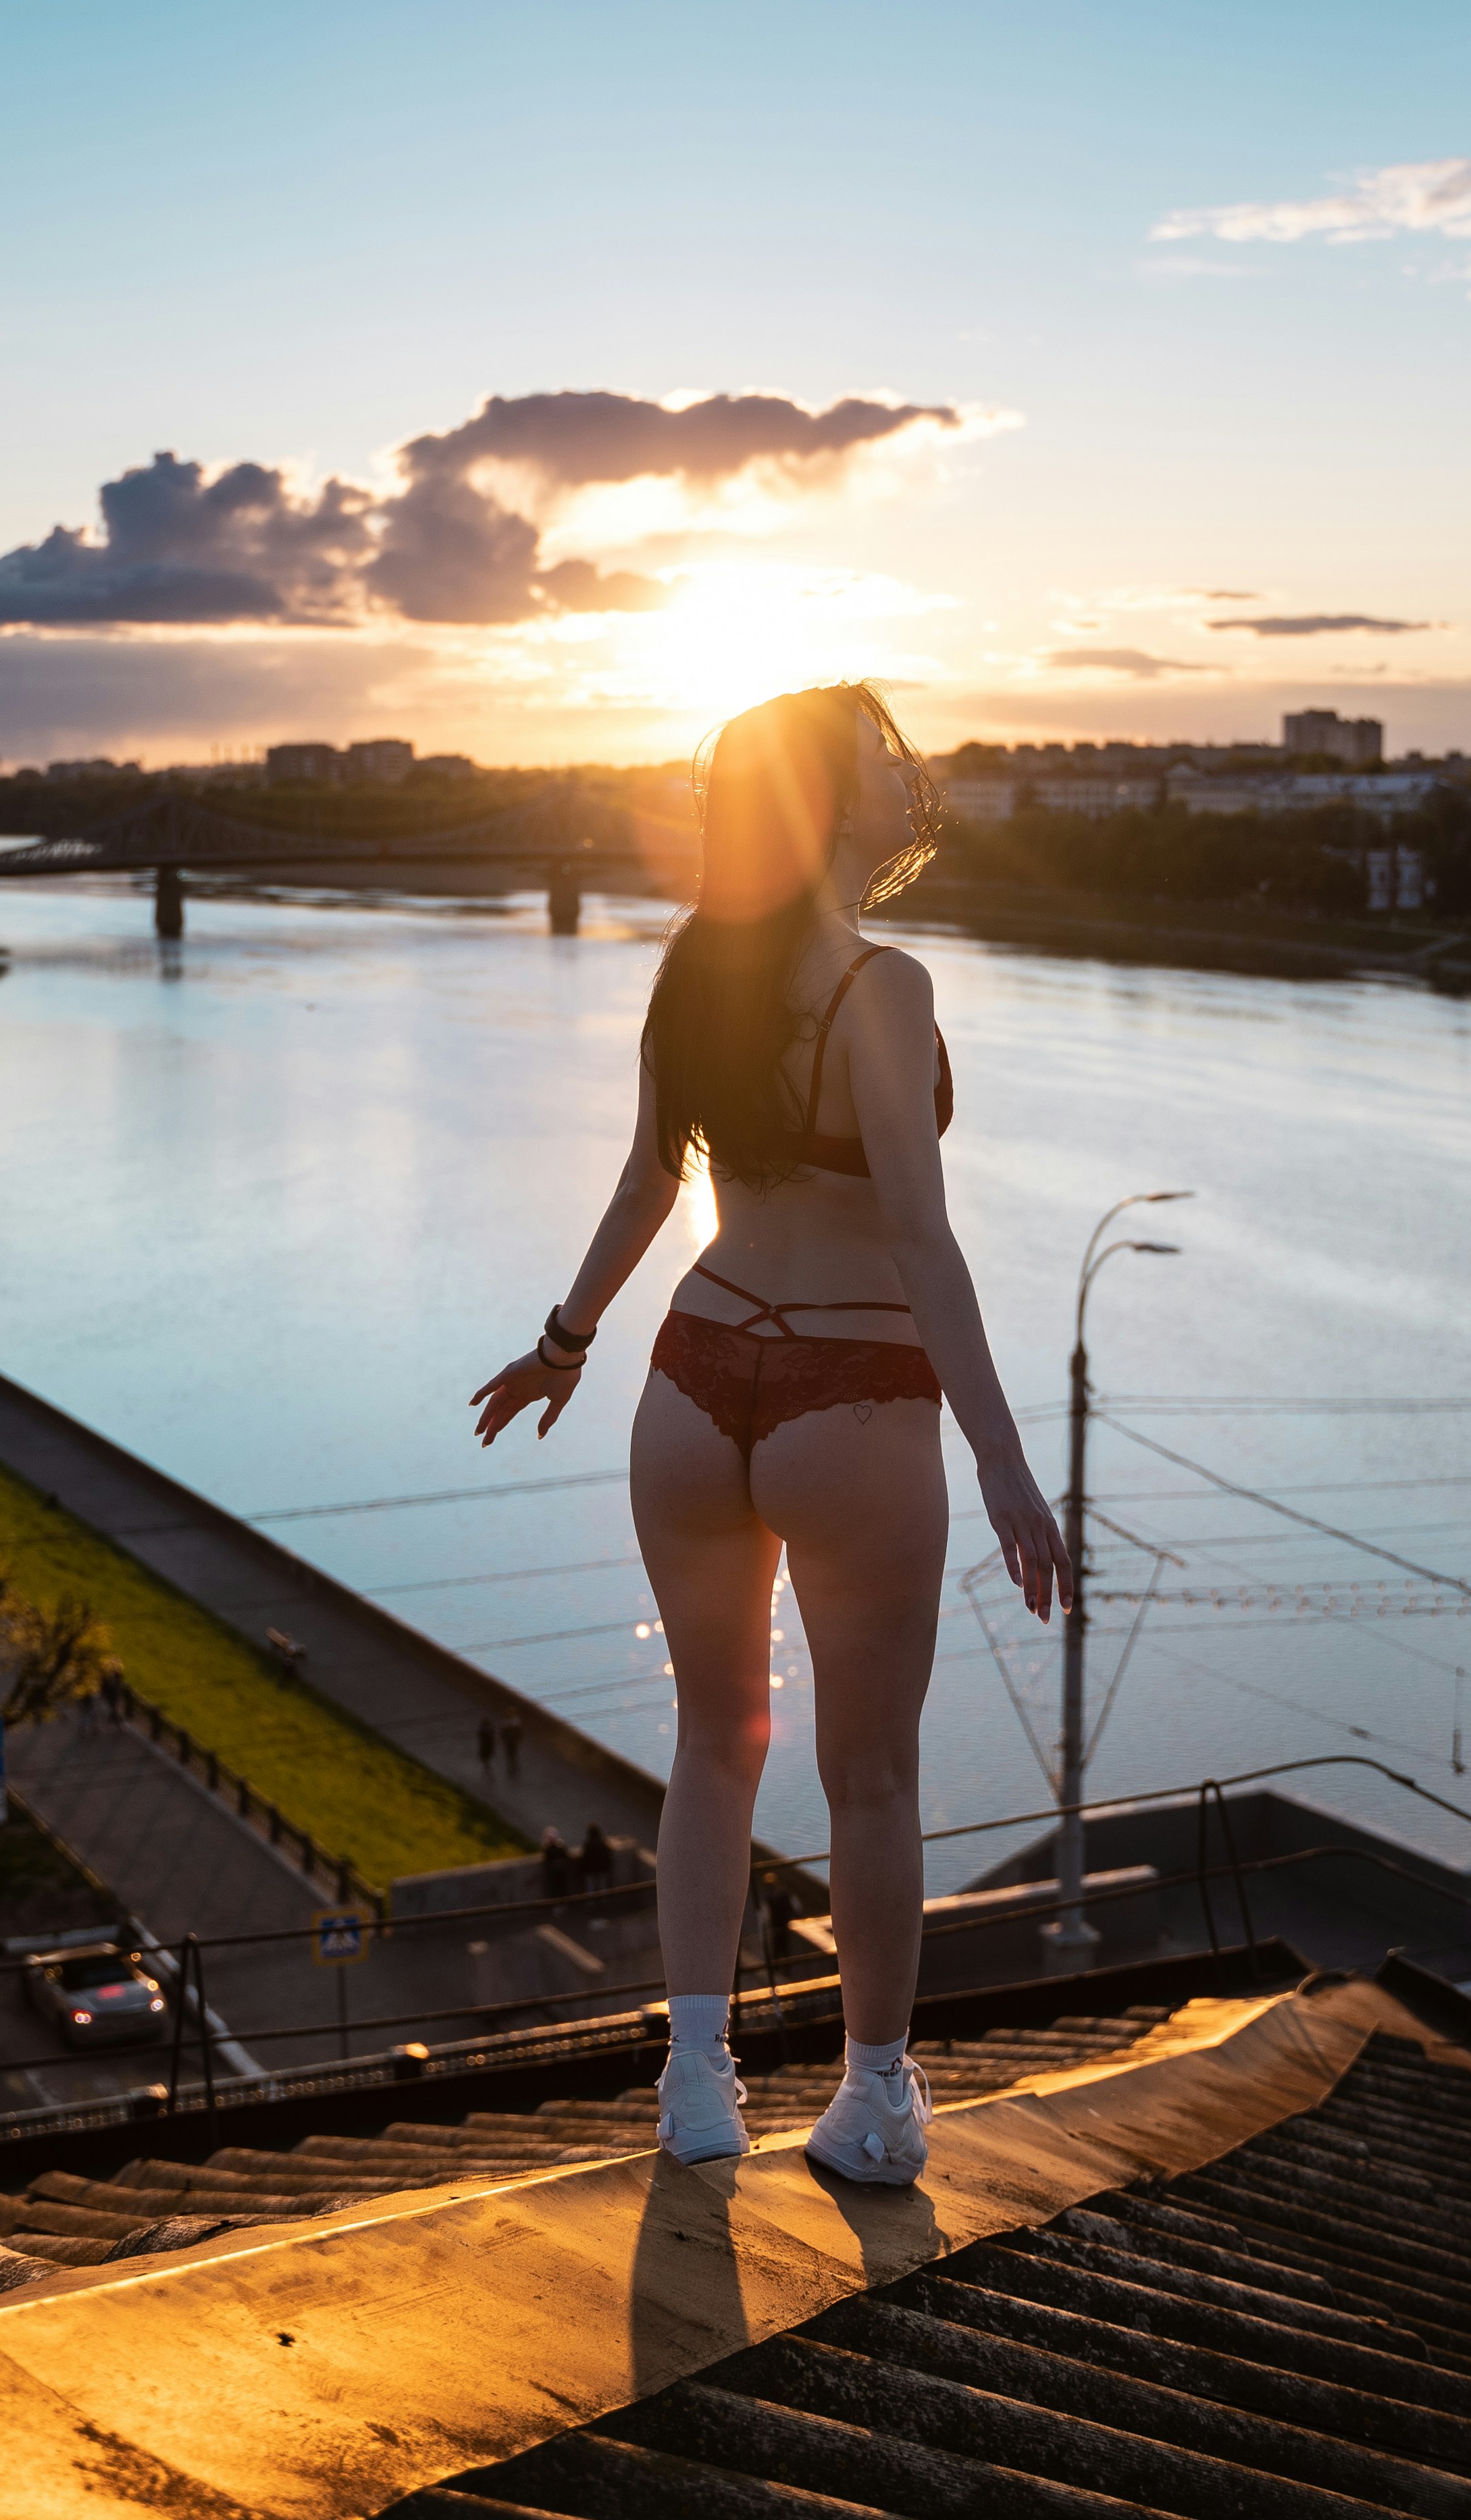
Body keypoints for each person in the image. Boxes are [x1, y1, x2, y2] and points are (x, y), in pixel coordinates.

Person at [469, 682, 1066, 2188]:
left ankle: (693, 2082)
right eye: (873, 762)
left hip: (690, 1373)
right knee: (868, 1774)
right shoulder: (886, 987)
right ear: (824, 805)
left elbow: (644, 1183)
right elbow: (921, 1243)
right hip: (850, 1395)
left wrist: (564, 1342)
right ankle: (871, 2102)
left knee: (712, 1742)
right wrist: (1001, 1456)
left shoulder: (696, 961)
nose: (898, 777)